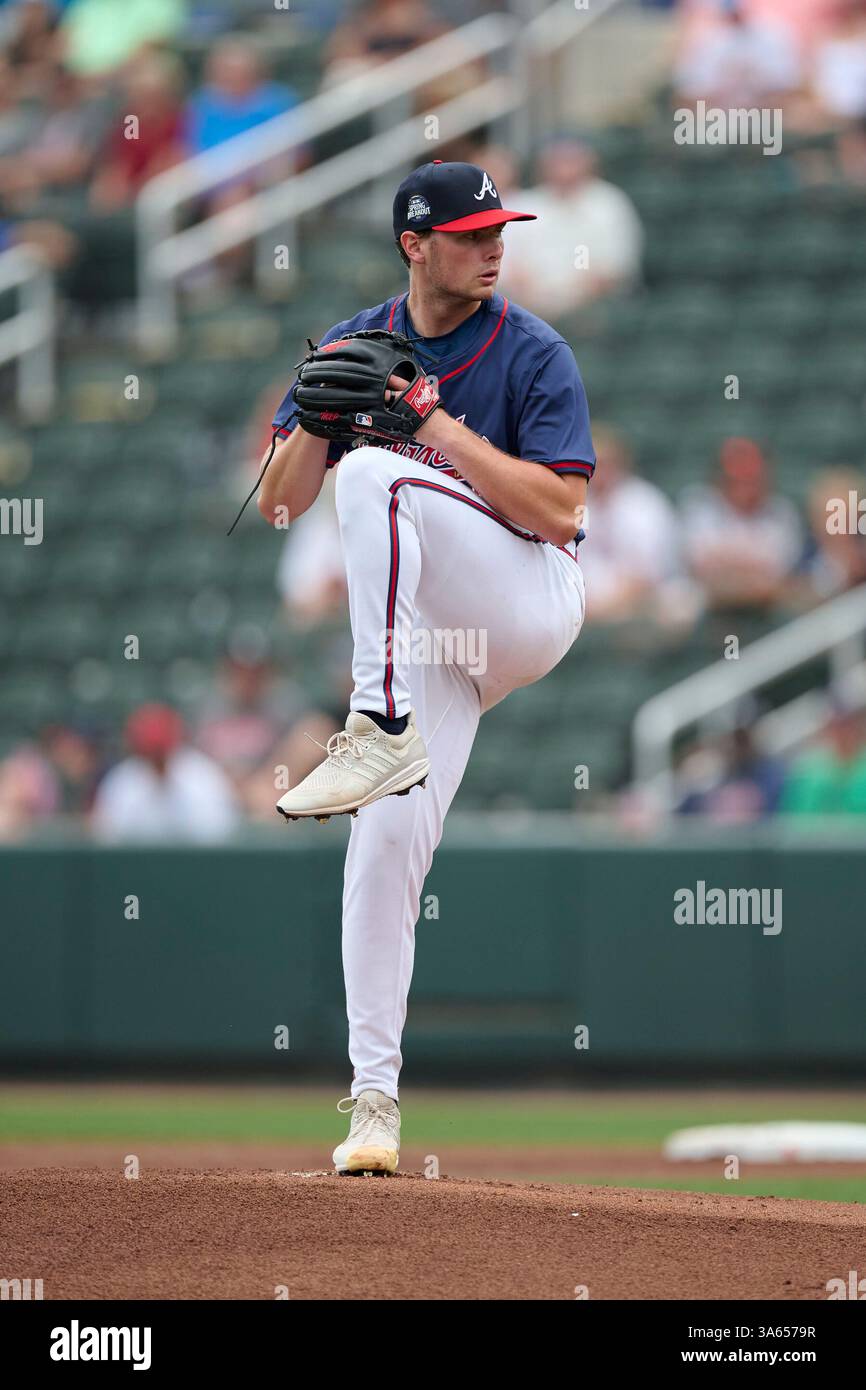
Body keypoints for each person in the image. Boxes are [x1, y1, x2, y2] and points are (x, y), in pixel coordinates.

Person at [258, 160, 594, 1178]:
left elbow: (563, 513)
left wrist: (430, 425)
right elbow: (278, 504)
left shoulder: (532, 349)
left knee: (378, 475)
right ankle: (372, 1105)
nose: (495, 244)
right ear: (415, 243)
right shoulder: (361, 338)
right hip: (431, 640)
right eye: (472, 231)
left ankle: (374, 724)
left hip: (528, 600)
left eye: (500, 228)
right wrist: (315, 423)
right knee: (380, 854)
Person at [495, 134, 643, 319]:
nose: (564, 169)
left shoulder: (609, 203)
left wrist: (570, 300)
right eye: (557, 161)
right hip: (531, 309)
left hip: (592, 311)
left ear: (589, 163)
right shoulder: (525, 204)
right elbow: (505, 262)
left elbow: (616, 267)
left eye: (571, 160)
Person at [680, 437, 803, 612]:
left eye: (752, 480)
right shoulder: (699, 506)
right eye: (736, 481)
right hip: (708, 602)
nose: (745, 489)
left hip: (769, 606)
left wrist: (728, 567)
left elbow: (778, 576)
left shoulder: (782, 513)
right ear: (720, 479)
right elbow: (700, 569)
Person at [91, 703, 238, 842]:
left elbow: (221, 834)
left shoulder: (202, 776)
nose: (157, 758)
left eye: (161, 751)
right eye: (151, 752)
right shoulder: (122, 781)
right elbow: (106, 836)